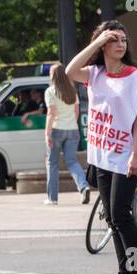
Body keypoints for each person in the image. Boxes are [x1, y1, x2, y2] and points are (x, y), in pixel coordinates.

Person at [67, 20, 137, 274]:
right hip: (101, 155)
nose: (120, 44)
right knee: (111, 217)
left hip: (126, 156)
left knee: (121, 213)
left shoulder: (135, 77)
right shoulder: (94, 74)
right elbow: (70, 71)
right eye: (114, 39)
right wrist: (96, 42)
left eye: (123, 40)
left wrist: (135, 155)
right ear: (103, 44)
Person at [44, 63, 89, 206]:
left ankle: (52, 198)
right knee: (72, 161)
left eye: (50, 73)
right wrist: (71, 124)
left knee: (52, 163)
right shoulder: (72, 90)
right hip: (73, 130)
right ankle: (83, 186)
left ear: (53, 76)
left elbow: (51, 114)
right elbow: (76, 112)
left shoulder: (50, 91)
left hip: (57, 129)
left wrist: (47, 133)